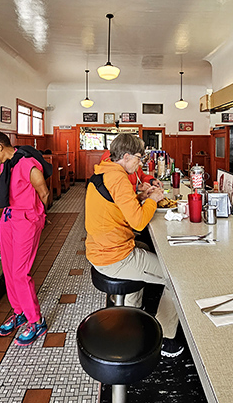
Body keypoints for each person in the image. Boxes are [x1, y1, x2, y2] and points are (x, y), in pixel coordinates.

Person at [85, 133, 184, 358]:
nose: (140, 163)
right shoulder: (118, 178)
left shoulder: (106, 170)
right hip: (114, 257)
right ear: (127, 156)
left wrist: (141, 196)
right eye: (139, 158)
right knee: (176, 277)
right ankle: (165, 338)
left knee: (146, 249)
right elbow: (138, 221)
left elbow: (119, 205)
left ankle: (132, 310)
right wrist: (152, 200)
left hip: (101, 248)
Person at [0, 132, 52, 346]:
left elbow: (44, 193)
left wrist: (40, 217)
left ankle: (36, 321)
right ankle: (19, 311)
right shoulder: (6, 165)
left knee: (20, 272)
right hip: (8, 218)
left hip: (26, 220)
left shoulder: (27, 165)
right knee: (9, 269)